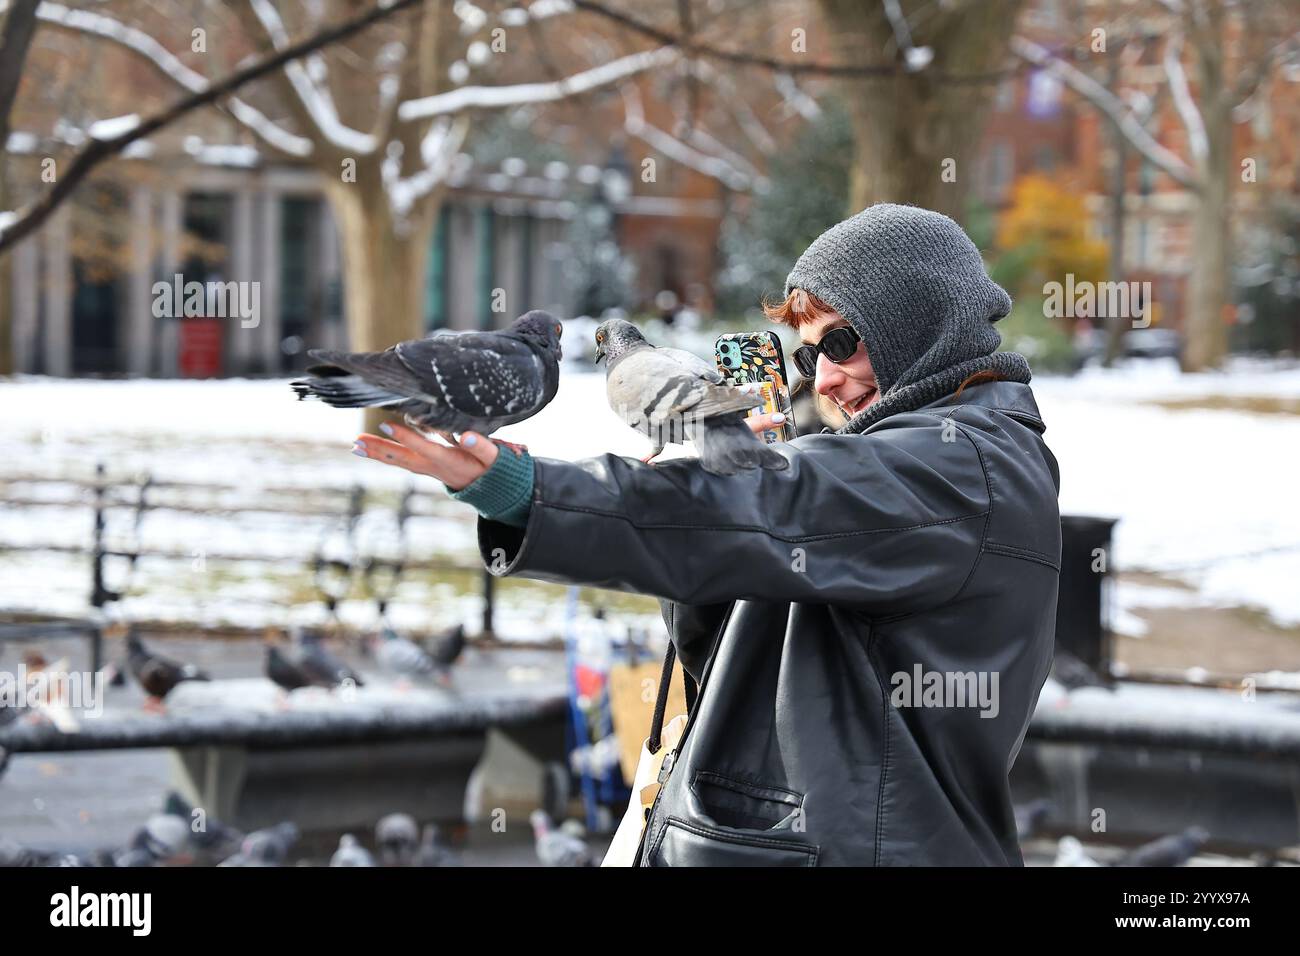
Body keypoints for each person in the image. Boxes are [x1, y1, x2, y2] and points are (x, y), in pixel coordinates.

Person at [350, 203, 1061, 866]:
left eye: (841, 342)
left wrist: (522, 490)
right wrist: (737, 470)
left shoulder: (957, 465)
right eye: (808, 357)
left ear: (919, 319)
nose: (826, 380)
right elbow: (735, 597)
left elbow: (773, 509)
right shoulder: (914, 457)